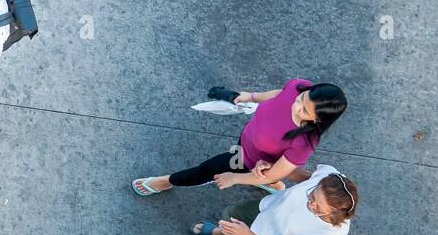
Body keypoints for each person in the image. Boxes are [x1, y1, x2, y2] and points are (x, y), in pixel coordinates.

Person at [133, 81, 347, 196]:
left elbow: (268, 172)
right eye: (301, 99)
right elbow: (278, 94)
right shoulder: (297, 87)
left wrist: (234, 178)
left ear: (318, 121)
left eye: (304, 112)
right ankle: (274, 184)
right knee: (270, 175)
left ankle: (167, 181)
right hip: (245, 141)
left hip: (249, 162)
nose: (296, 106)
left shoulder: (303, 144)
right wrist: (251, 96)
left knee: (208, 169)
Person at [188, 165, 357, 235]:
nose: (310, 204)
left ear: (335, 213)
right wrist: (274, 167)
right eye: (312, 195)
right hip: (270, 209)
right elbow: (303, 176)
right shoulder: (329, 177)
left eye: (319, 207)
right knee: (232, 213)